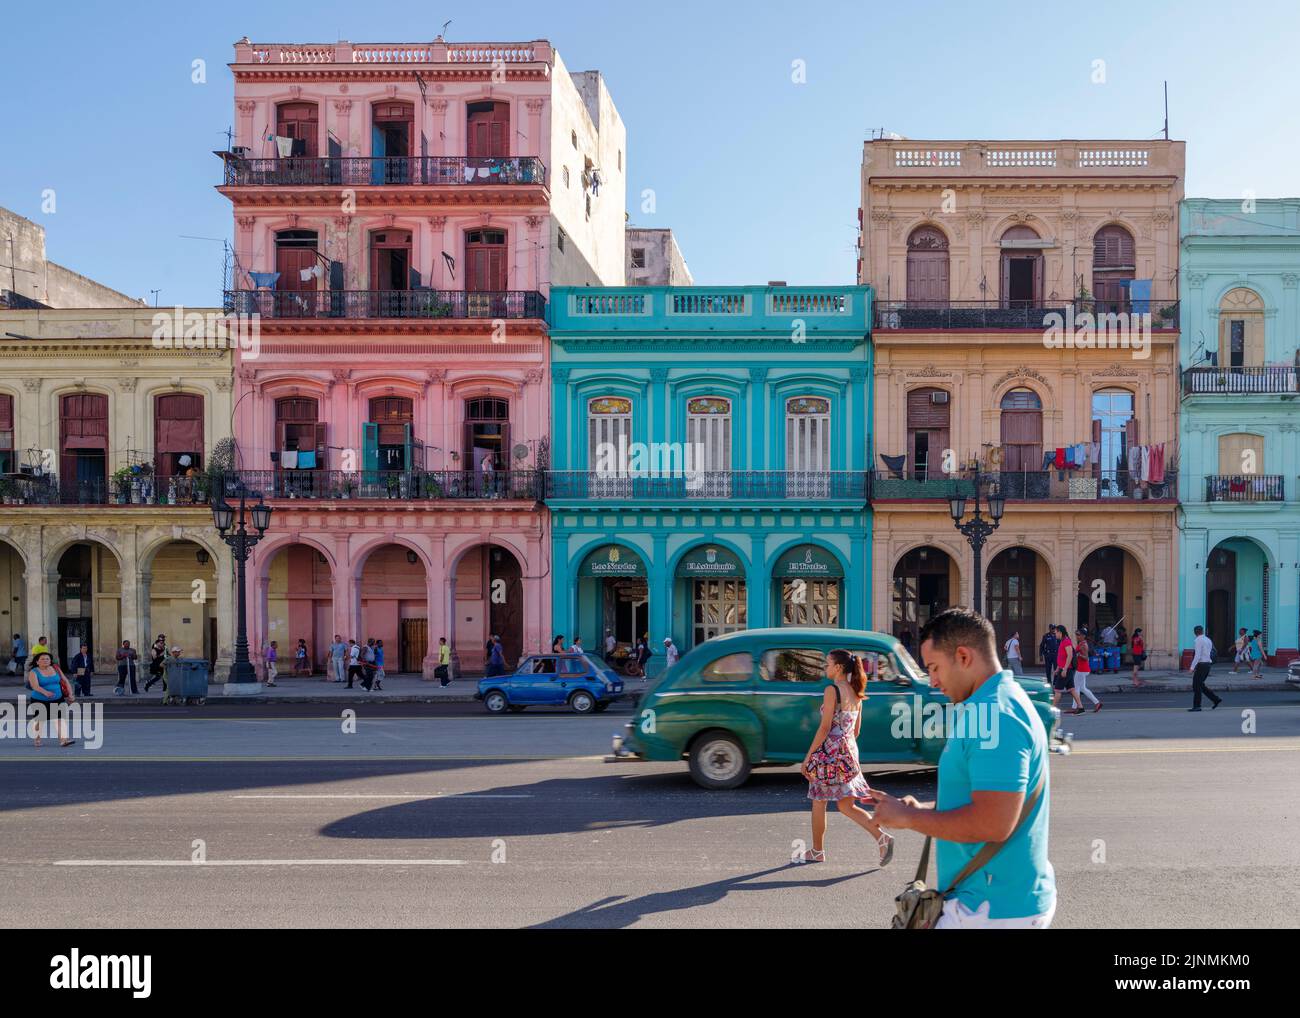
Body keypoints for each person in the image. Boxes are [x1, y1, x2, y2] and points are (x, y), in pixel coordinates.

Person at [872, 607, 1056, 929]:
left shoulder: (995, 715)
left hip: (990, 910)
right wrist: (926, 808)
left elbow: (993, 823)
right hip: (994, 901)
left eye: (934, 668)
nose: (933, 681)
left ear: (963, 656)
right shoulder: (996, 703)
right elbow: (988, 799)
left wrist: (911, 819)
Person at [797, 648, 893, 866]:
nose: (825, 667)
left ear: (838, 667)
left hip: (829, 753)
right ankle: (882, 838)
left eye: (827, 664)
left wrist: (808, 757)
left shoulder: (832, 690)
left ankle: (817, 851)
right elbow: (856, 731)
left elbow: (824, 728)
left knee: (819, 801)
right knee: (846, 806)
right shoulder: (855, 691)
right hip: (849, 752)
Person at [26, 651, 76, 748]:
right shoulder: (34, 672)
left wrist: (70, 694)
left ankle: (63, 740)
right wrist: (45, 692)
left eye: (47, 659)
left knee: (59, 719)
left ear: (50, 661)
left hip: (57, 699)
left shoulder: (55, 668)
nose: (45, 660)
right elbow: (34, 686)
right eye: (43, 659)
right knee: (40, 721)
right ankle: (37, 738)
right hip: (39, 700)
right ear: (37, 662)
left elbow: (65, 681)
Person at [1189, 624, 1221, 712]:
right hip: (1207, 665)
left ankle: (1197, 706)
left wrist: (1192, 667)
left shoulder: (1198, 641)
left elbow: (1197, 655)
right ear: (1202, 631)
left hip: (1202, 665)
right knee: (1200, 685)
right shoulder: (1208, 640)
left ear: (1195, 632)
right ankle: (1216, 699)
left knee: (1196, 686)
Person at [1050, 626, 1081, 714]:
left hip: (1066, 670)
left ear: (1060, 632)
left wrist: (1064, 669)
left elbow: (1070, 655)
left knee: (1057, 690)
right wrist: (1057, 668)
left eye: (1055, 632)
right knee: (1072, 689)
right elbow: (1062, 657)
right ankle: (1081, 708)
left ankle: (1052, 709)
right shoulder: (1063, 641)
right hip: (1065, 669)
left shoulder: (1066, 641)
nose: (1055, 634)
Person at [1072, 627, 1102, 714]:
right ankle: (1097, 703)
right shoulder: (1081, 643)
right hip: (1081, 668)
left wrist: (1078, 655)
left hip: (1082, 669)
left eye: (1078, 635)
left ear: (1083, 636)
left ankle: (1075, 707)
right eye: (1076, 634)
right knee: (1082, 688)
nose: (1076, 636)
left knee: (1076, 688)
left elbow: (1086, 658)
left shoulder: (1084, 645)